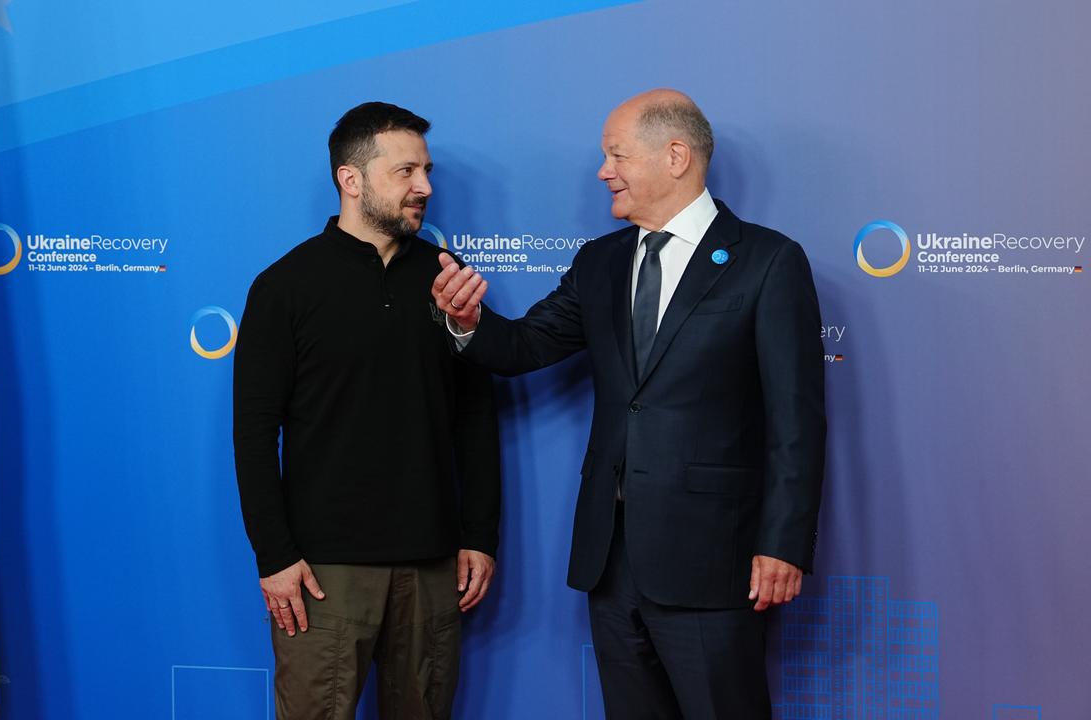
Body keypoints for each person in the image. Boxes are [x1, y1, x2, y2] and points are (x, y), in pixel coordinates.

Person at [431, 89, 825, 719]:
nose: (602, 171)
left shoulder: (767, 261)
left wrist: (782, 544)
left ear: (675, 156)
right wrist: (467, 321)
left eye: (615, 154)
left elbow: (796, 421)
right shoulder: (602, 262)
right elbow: (525, 344)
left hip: (713, 561)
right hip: (611, 561)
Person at [233, 101, 500, 720]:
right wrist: (274, 556)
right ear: (351, 180)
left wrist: (479, 536)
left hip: (433, 568)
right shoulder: (284, 287)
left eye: (426, 171)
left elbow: (476, 417)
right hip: (323, 573)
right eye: (406, 171)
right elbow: (253, 433)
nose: (425, 187)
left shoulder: (448, 283)